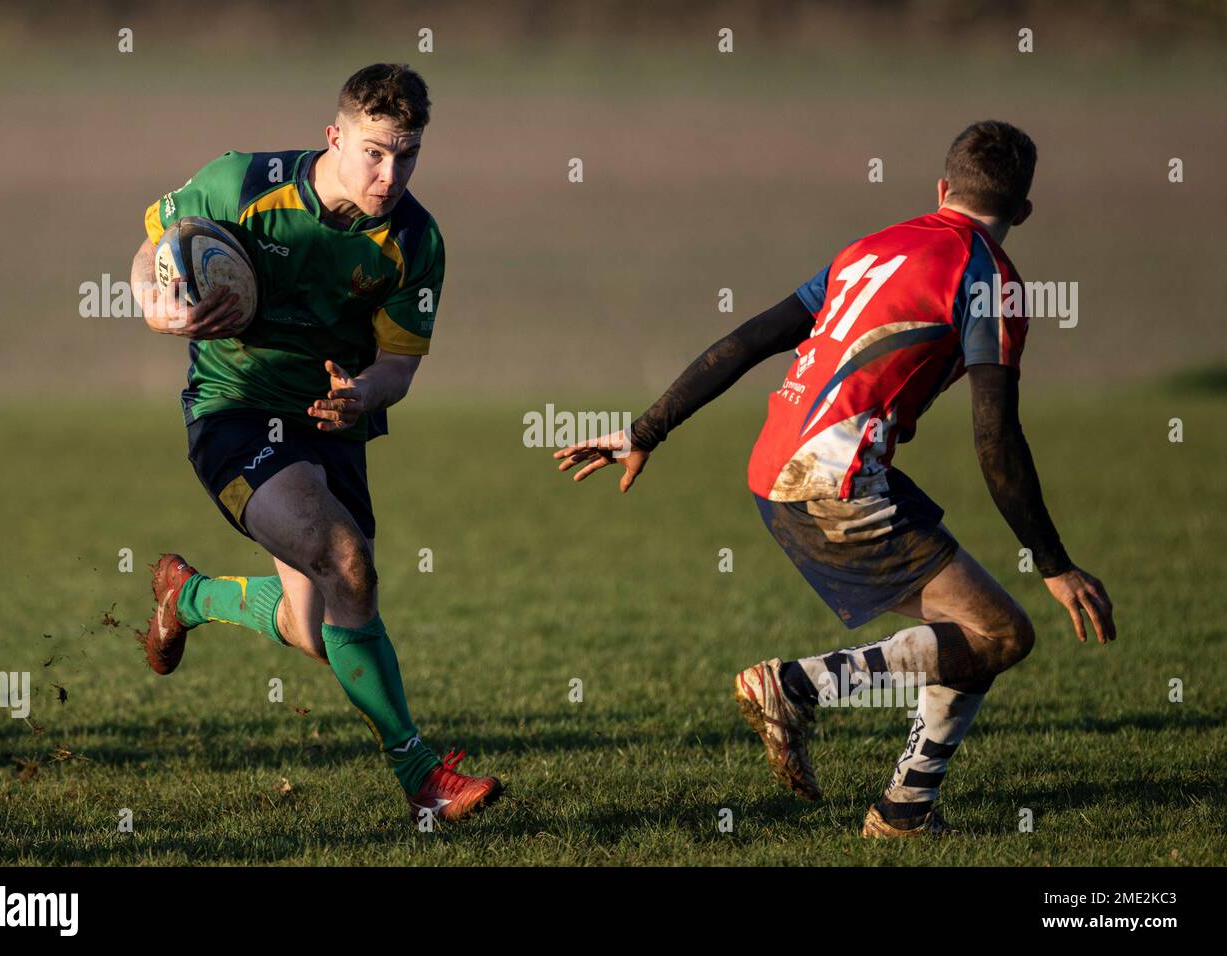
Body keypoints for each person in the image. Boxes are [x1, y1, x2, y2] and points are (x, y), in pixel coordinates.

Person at [553, 120, 1115, 837]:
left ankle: (906, 810)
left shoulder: (870, 247)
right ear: (1023, 213)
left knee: (974, 630)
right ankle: (796, 686)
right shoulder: (991, 281)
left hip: (779, 465)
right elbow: (995, 438)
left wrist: (645, 430)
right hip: (834, 481)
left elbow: (747, 340)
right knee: (1002, 633)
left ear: (942, 190)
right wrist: (1056, 565)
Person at [128, 63, 502, 824]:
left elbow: (398, 366)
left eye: (407, 155)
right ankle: (423, 775)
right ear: (334, 137)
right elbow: (155, 244)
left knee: (314, 624)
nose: (390, 173)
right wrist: (155, 305)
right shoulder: (240, 184)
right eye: (373, 151)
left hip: (330, 422)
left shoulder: (414, 242)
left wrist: (365, 393)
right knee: (346, 563)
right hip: (233, 411)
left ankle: (190, 595)